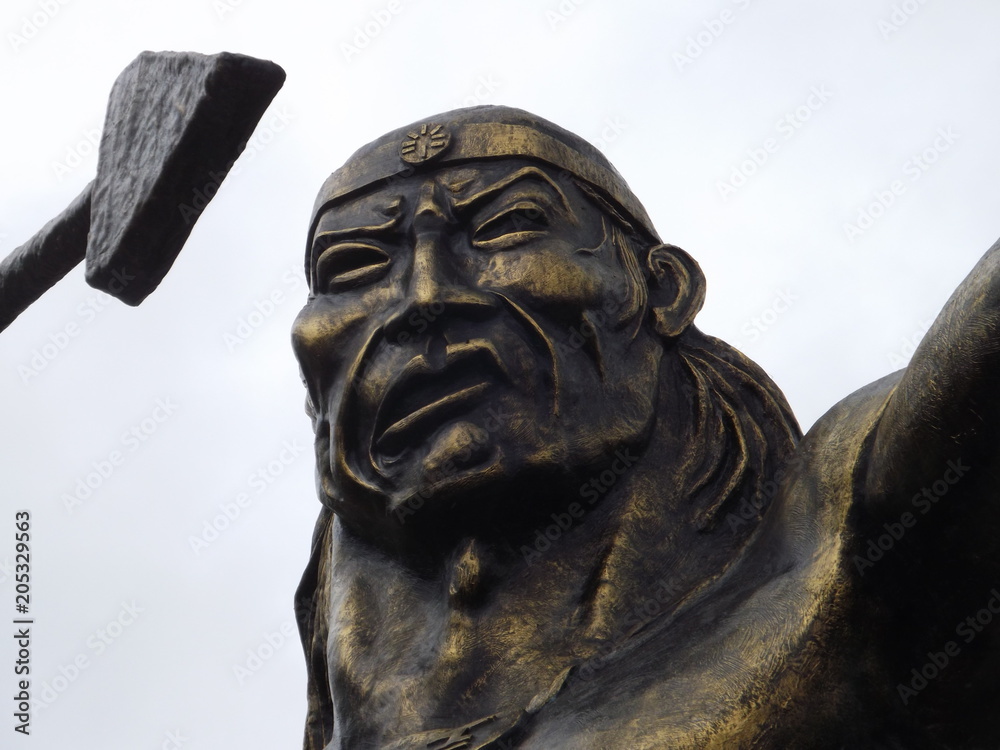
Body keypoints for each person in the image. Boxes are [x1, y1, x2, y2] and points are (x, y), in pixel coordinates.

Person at [291, 106, 1000, 749]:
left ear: (662, 290)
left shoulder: (843, 553)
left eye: (507, 226)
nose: (425, 295)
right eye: (354, 266)